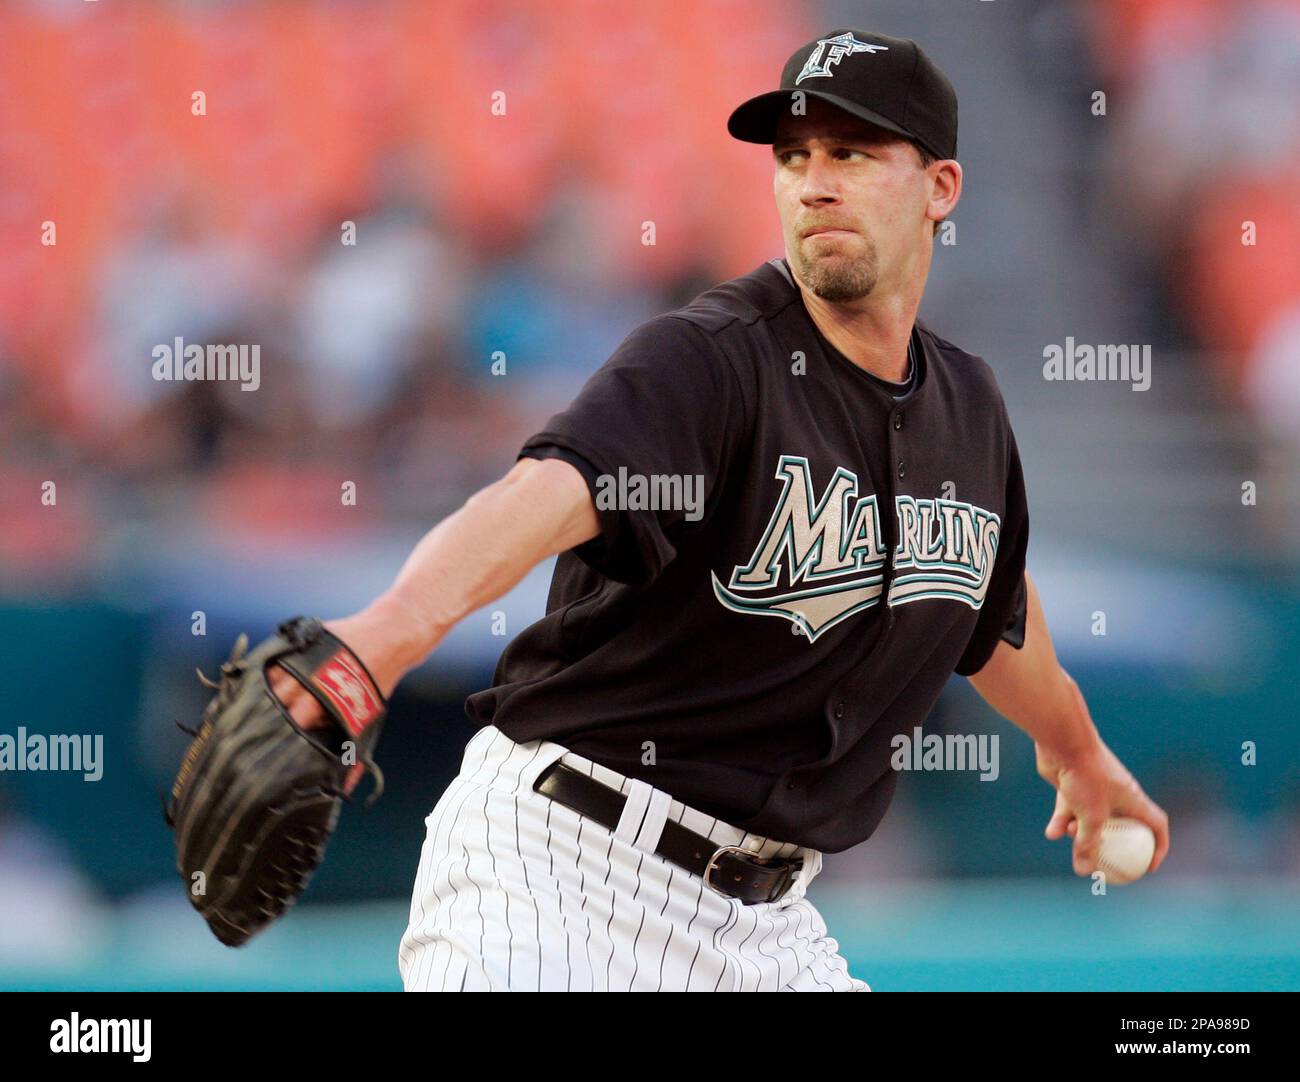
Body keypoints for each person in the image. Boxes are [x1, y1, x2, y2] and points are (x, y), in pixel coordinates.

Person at [272, 28, 1169, 992]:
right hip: (565, 871)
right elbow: (544, 493)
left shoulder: (970, 408)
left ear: (940, 188)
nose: (814, 182)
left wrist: (1076, 748)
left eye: (852, 154)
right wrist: (388, 634)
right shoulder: (709, 358)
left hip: (765, 925)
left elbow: (989, 607)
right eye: (794, 157)